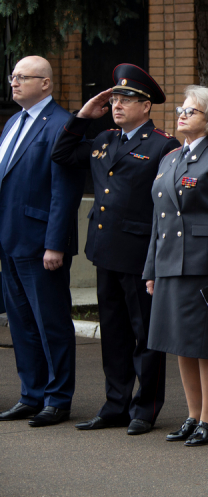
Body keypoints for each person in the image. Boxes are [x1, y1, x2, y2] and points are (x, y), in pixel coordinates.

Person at [51, 64, 179, 435]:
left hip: (139, 253)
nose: (118, 104)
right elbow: (62, 154)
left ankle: (145, 408)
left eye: (127, 99)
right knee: (114, 333)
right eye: (115, 98)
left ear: (147, 106)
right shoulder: (104, 138)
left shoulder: (162, 144)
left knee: (145, 334)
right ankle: (115, 404)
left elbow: (166, 205)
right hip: (105, 249)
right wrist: (82, 116)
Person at [143, 85, 208, 446]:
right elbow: (159, 219)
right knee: (179, 342)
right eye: (182, 110)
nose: (182, 115)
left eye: (191, 111)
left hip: (200, 264)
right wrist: (151, 269)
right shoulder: (169, 158)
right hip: (169, 262)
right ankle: (193, 414)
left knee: (201, 342)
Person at [0, 56, 84, 426]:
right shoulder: (12, 122)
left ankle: (57, 397)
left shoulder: (62, 125)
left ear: (46, 84)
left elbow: (63, 193)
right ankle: (31, 394)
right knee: (20, 323)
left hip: (40, 243)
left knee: (50, 322)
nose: (14, 83)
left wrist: (55, 244)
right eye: (12, 76)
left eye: (23, 77)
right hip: (9, 240)